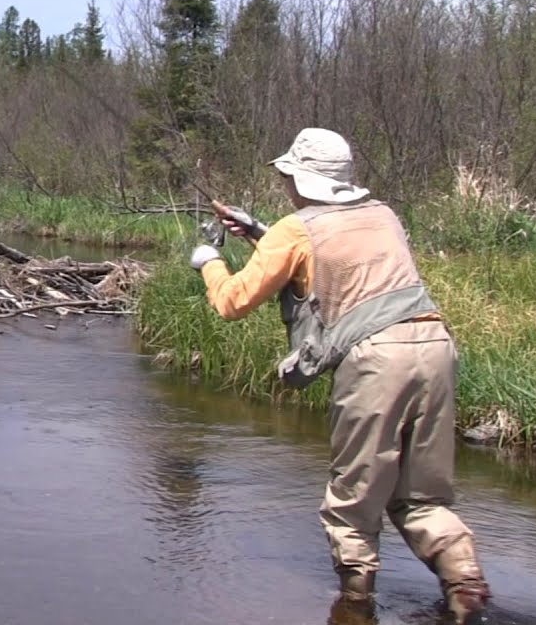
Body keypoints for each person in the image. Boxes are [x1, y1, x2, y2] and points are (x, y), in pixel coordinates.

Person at [186, 128, 491, 624]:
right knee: (421, 496)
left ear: (298, 178)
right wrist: (262, 233)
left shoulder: (295, 229)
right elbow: (341, 262)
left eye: (287, 175)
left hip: (376, 362)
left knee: (354, 498)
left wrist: (210, 261)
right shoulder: (382, 215)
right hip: (434, 346)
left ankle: (354, 606)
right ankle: (467, 592)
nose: (284, 183)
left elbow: (232, 301)